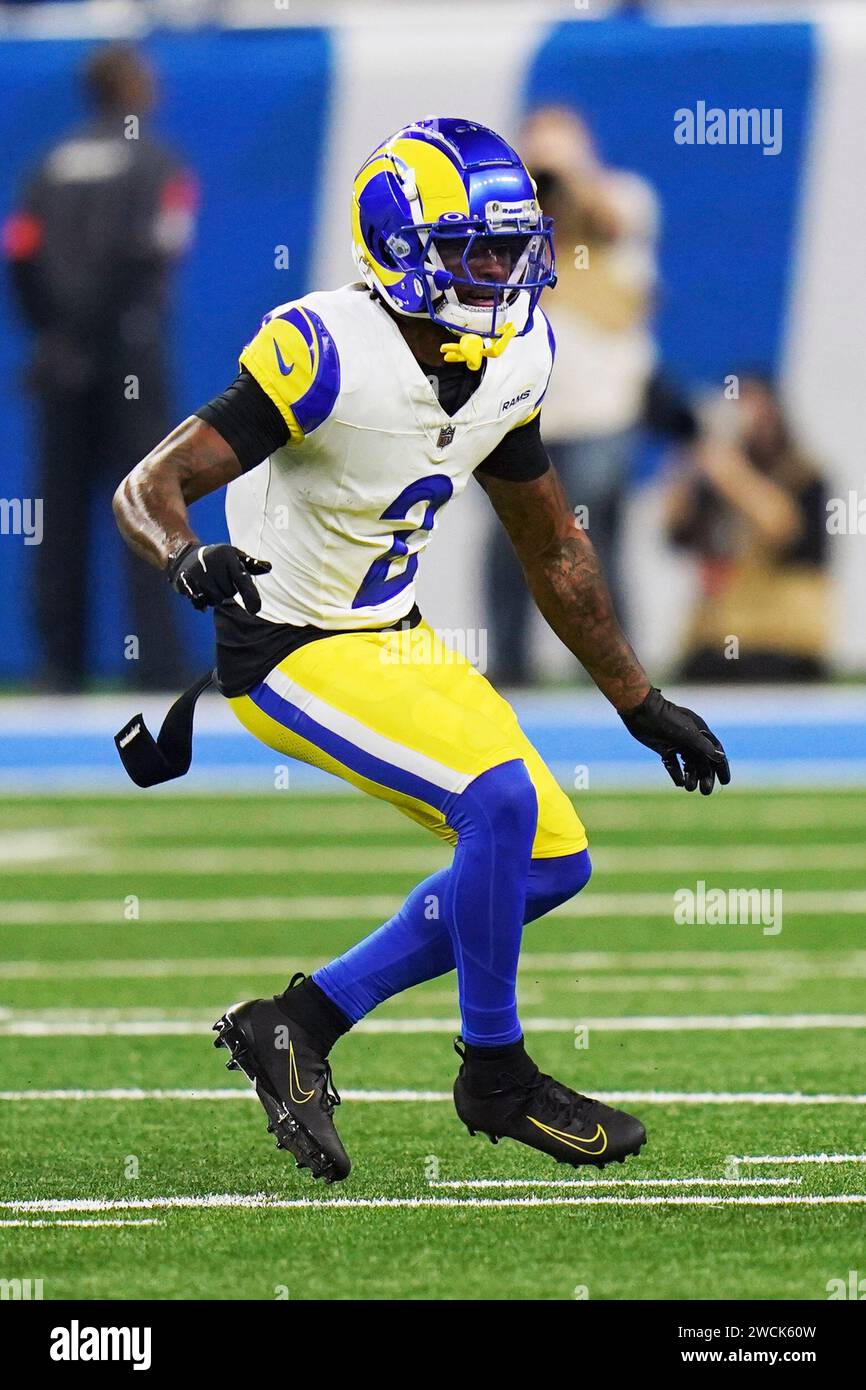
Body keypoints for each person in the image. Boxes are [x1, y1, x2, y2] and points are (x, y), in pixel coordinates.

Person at [113, 117, 728, 1184]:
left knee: (550, 860)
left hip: (387, 637)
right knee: (494, 804)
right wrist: (183, 560)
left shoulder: (514, 353)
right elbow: (146, 487)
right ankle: (494, 1073)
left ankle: (295, 1021)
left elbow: (554, 547)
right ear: (401, 248)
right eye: (471, 249)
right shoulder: (325, 351)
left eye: (507, 247)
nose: (498, 268)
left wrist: (638, 700)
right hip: (286, 646)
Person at [3, 43, 197, 690]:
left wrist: (57, 338)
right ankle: (158, 666)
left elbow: (21, 255)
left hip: (62, 363)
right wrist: (100, 332)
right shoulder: (156, 163)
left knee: (60, 513)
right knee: (149, 505)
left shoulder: (47, 166)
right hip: (130, 356)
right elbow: (149, 253)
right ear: (135, 89)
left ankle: (61, 666)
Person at [484, 107, 659, 681]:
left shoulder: (625, 197)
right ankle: (510, 680)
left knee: (591, 549)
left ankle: (622, 679)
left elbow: (611, 225)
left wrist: (570, 174)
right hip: (524, 414)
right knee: (508, 552)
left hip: (601, 414)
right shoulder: (511, 221)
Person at [665, 375, 831, 682]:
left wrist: (731, 473)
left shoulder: (805, 477)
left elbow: (783, 529)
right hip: (716, 640)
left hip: (784, 642)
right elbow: (676, 536)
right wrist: (685, 468)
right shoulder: (714, 480)